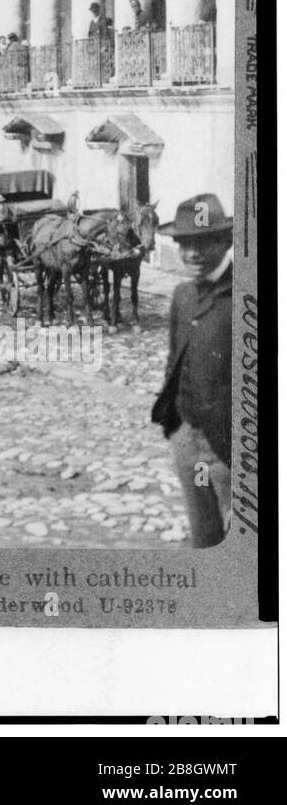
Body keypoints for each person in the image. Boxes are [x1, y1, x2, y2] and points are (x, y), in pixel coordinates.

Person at [151, 194, 233, 548]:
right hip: (187, 440)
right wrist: (175, 426)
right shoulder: (183, 295)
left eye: (204, 242)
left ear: (227, 241)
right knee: (204, 534)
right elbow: (175, 359)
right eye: (186, 244)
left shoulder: (246, 297)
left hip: (229, 450)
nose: (194, 254)